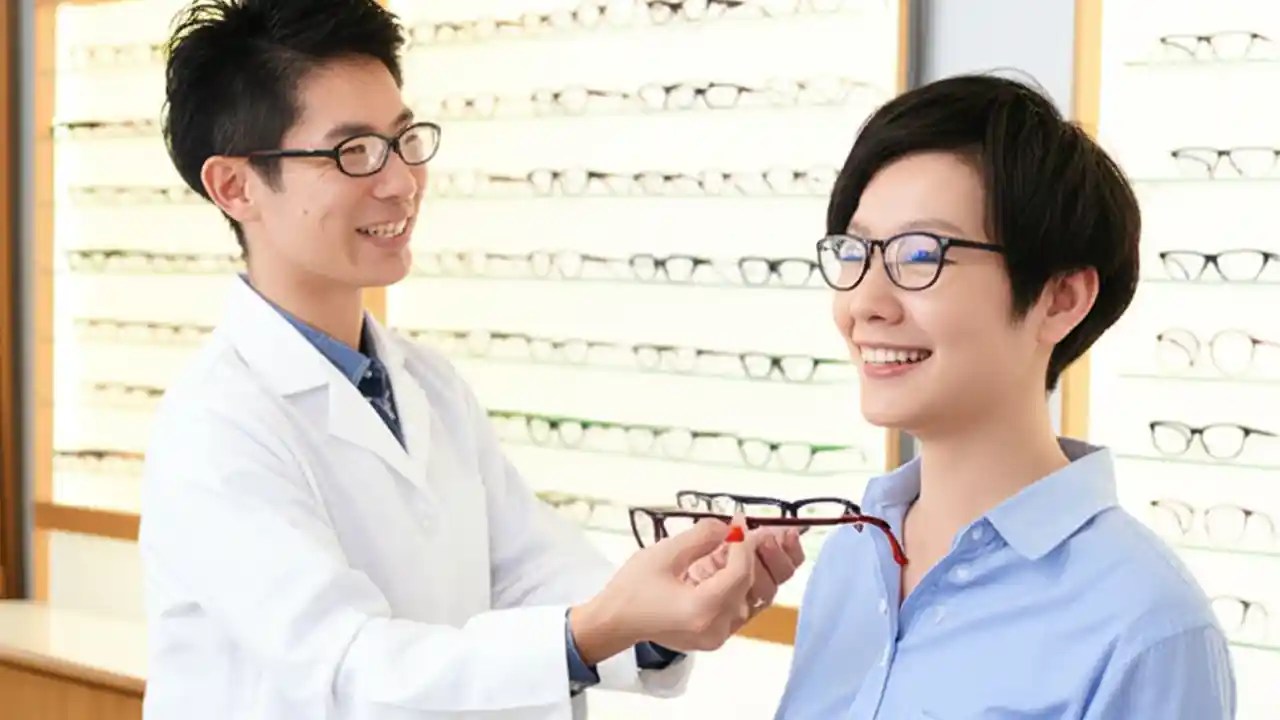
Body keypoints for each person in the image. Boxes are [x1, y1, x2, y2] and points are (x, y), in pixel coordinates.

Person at [137, 1, 806, 719]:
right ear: (236, 187)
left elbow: (531, 573)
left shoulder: (424, 384)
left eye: (402, 142)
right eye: (352, 152)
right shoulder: (214, 429)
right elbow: (349, 666)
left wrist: (661, 614)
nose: (399, 182)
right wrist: (605, 624)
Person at [773, 74, 1236, 719]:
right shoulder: (854, 557)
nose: (865, 304)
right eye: (857, 251)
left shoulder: (1146, 627)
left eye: (919, 254)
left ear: (1061, 299)